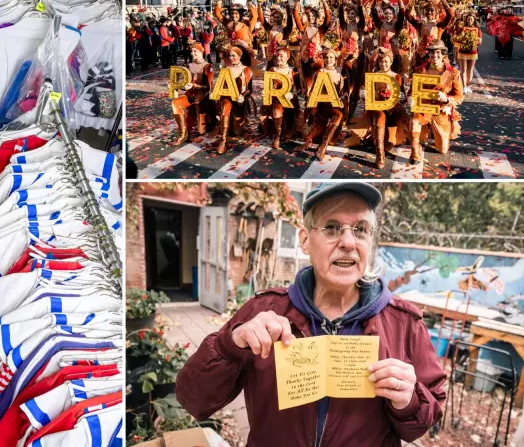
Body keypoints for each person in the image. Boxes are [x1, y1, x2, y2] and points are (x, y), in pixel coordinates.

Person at [175, 182, 447, 447]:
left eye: (361, 230)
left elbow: (423, 422)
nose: (349, 242)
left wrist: (408, 400)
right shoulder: (262, 311)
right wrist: (230, 345)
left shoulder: (404, 323)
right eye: (331, 228)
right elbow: (193, 400)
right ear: (305, 240)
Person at [409, 40, 463, 163]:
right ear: (429, 54)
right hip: (424, 108)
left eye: (438, 53)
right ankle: (414, 151)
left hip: (440, 110)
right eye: (432, 53)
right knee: (414, 120)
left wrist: (446, 99)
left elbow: (459, 95)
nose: (435, 56)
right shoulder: (420, 70)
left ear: (443, 54)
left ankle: (435, 133)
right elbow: (412, 91)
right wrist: (411, 99)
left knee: (443, 150)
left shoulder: (452, 72)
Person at [169, 42, 216, 145]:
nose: (193, 53)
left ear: (201, 52)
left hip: (202, 99)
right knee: (175, 103)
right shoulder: (188, 65)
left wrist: (195, 86)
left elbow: (208, 87)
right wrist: (174, 86)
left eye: (195, 51)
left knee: (200, 131)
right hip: (190, 96)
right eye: (192, 51)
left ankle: (210, 122)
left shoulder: (208, 66)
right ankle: (182, 134)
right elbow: (184, 83)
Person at [216, 46, 253, 154]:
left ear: (240, 56)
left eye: (234, 56)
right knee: (225, 108)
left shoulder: (246, 69)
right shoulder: (225, 70)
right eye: (230, 56)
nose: (231, 58)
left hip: (239, 101)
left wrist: (243, 96)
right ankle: (223, 141)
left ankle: (235, 126)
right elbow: (219, 86)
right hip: (227, 98)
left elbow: (250, 89)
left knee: (237, 132)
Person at [453, 12, 482, 94]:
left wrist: (473, 41)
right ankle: (464, 85)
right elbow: (458, 38)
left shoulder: (478, 30)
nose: (470, 21)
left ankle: (468, 85)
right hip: (462, 52)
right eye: (468, 19)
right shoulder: (462, 28)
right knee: (463, 69)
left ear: (474, 20)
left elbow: (480, 41)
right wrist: (461, 41)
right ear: (466, 20)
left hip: (473, 52)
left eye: (471, 19)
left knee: (470, 70)